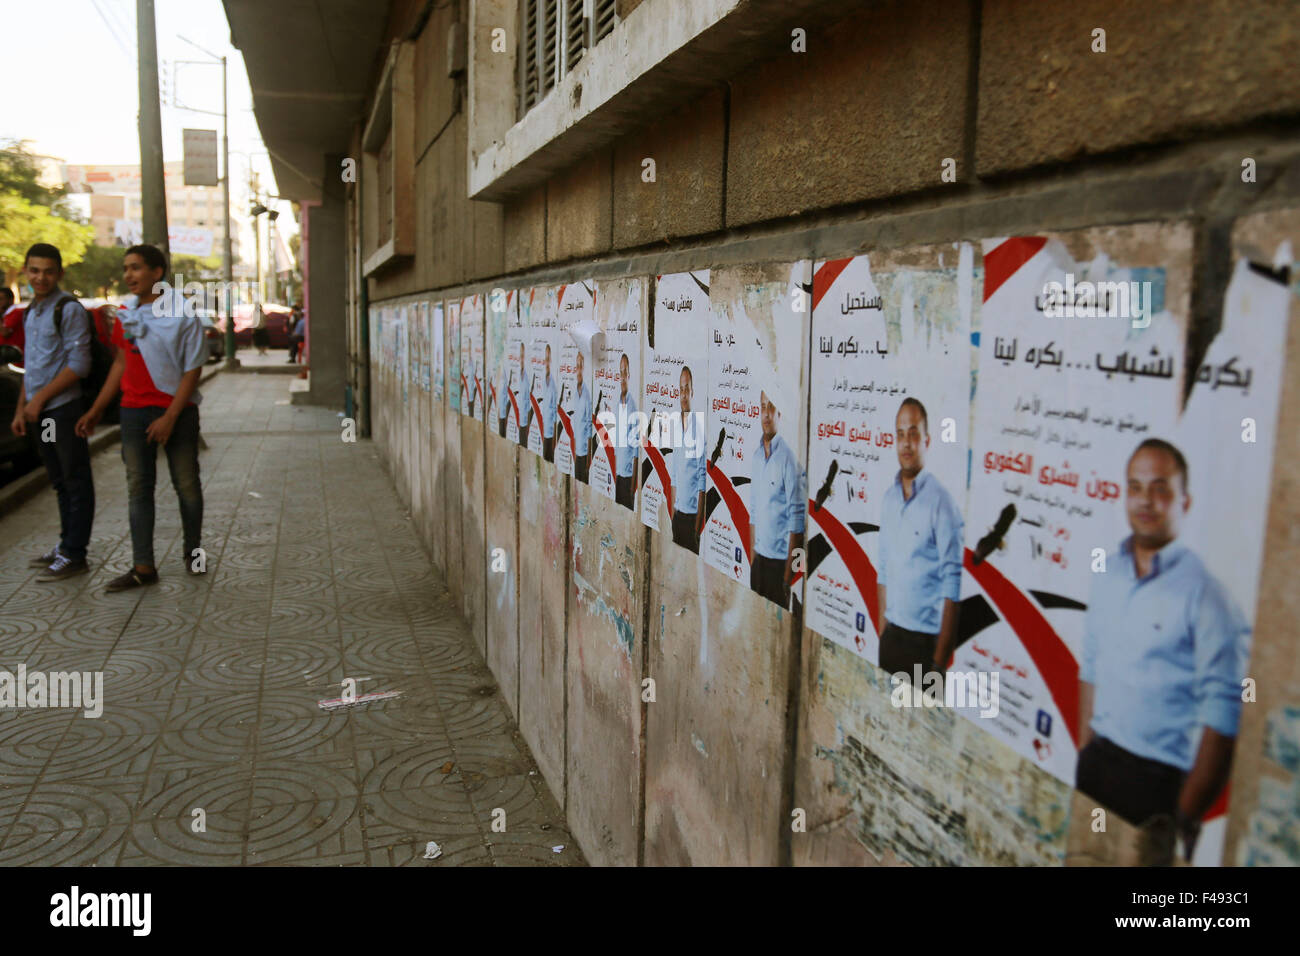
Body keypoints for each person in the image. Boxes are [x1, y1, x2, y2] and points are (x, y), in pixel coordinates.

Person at [1076, 438, 1249, 861]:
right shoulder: (1110, 574)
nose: (1145, 500)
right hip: (1097, 769)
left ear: (1184, 501)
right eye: (1135, 487)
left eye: (1160, 488)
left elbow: (1224, 718)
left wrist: (1183, 816)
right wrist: (1086, 750)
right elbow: (1092, 665)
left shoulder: (1207, 597)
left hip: (1157, 788)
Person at [77, 244, 207, 592]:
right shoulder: (127, 313)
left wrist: (169, 416)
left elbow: (193, 369)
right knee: (138, 488)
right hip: (133, 412)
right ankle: (143, 567)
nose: (129, 275)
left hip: (177, 413)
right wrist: (96, 409)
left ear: (157, 273)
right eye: (126, 268)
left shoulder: (182, 314)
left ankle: (193, 552)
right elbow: (121, 363)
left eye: (136, 268)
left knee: (187, 485)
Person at [11, 243, 95, 580]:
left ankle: (76, 554)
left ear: (59, 273)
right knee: (59, 479)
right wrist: (23, 408)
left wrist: (39, 399)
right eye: (34, 270)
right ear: (26, 272)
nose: (40, 277)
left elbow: (80, 365)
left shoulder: (68, 309)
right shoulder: (33, 311)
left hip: (63, 411)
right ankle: (64, 546)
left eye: (48, 271)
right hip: (42, 415)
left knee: (75, 479)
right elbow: (31, 367)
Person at [876, 397, 963, 682]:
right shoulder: (889, 499)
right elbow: (884, 570)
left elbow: (953, 585)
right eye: (900, 434)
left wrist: (938, 664)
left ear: (927, 440)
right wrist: (883, 631)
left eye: (913, 433)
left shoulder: (941, 502)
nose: (906, 443)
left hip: (924, 646)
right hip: (891, 641)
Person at [748, 388, 804, 605]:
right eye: (763, 407)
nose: (766, 414)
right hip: (759, 565)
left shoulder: (789, 459)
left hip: (780, 566)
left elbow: (797, 525)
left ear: (780, 413)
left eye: (771, 407)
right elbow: (753, 512)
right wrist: (753, 560)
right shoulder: (756, 458)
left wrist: (788, 578)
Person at [670, 365, 706, 552]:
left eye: (687, 389)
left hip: (692, 519)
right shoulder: (676, 427)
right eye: (681, 389)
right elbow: (674, 476)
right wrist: (672, 515)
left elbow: (702, 483)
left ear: (692, 392)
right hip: (678, 519)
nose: (684, 394)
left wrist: (696, 529)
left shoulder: (698, 429)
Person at [613, 353, 639, 509]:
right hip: (618, 476)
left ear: (628, 375)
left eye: (625, 372)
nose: (622, 376)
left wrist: (632, 488)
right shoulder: (617, 404)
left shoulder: (632, 407)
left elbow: (636, 453)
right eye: (620, 372)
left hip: (629, 479)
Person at [571, 349, 592, 483]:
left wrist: (588, 462)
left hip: (584, 454)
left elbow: (589, 429)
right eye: (576, 366)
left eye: (581, 366)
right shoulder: (575, 393)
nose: (578, 369)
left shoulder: (586, 395)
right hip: (576, 453)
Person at [540, 343, 556, 463]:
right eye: (545, 359)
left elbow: (555, 415)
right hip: (544, 432)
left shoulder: (553, 385)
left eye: (548, 358)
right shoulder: (543, 381)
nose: (546, 362)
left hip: (551, 435)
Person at [0, 287, 23, 353]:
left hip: (14, 357)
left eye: (1, 299)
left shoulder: (16, 313)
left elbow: (5, 332)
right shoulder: (5, 315)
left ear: (10, 299)